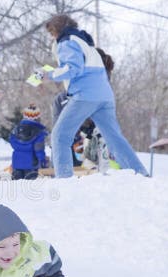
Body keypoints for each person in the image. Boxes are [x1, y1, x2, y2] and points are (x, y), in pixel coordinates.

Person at [35, 14, 148, 178]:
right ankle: (140, 173)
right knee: (115, 138)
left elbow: (74, 68)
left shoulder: (67, 41)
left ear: (56, 30)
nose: (52, 38)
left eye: (51, 34)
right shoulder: (85, 43)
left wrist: (48, 75)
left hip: (85, 96)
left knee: (60, 136)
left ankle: (64, 180)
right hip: (105, 96)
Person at [9, 104, 48, 180]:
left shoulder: (16, 130)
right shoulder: (39, 132)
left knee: (16, 185)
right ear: (37, 118)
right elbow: (39, 149)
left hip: (17, 164)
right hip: (31, 164)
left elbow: (12, 141)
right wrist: (43, 161)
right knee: (29, 187)